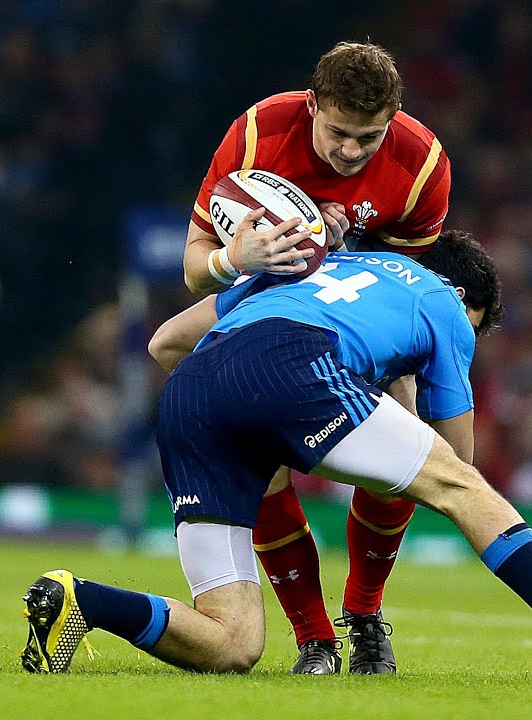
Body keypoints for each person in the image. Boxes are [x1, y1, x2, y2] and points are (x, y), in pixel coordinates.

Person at [19, 229, 532, 684]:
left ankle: (82, 600)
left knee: (233, 644)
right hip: (293, 367)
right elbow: (456, 464)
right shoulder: (445, 306)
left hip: (190, 395)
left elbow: (164, 344)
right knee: (467, 490)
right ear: (467, 300)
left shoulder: (316, 264)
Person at [179, 40, 452, 674]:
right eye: (339, 133)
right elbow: (195, 268)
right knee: (169, 347)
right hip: (261, 296)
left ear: (394, 119)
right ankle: (314, 638)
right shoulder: (258, 134)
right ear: (312, 106)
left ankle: (363, 611)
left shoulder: (420, 164)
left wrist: (337, 246)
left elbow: (405, 278)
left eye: (370, 137)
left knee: (404, 438)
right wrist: (236, 260)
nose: (353, 150)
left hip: (354, 300)